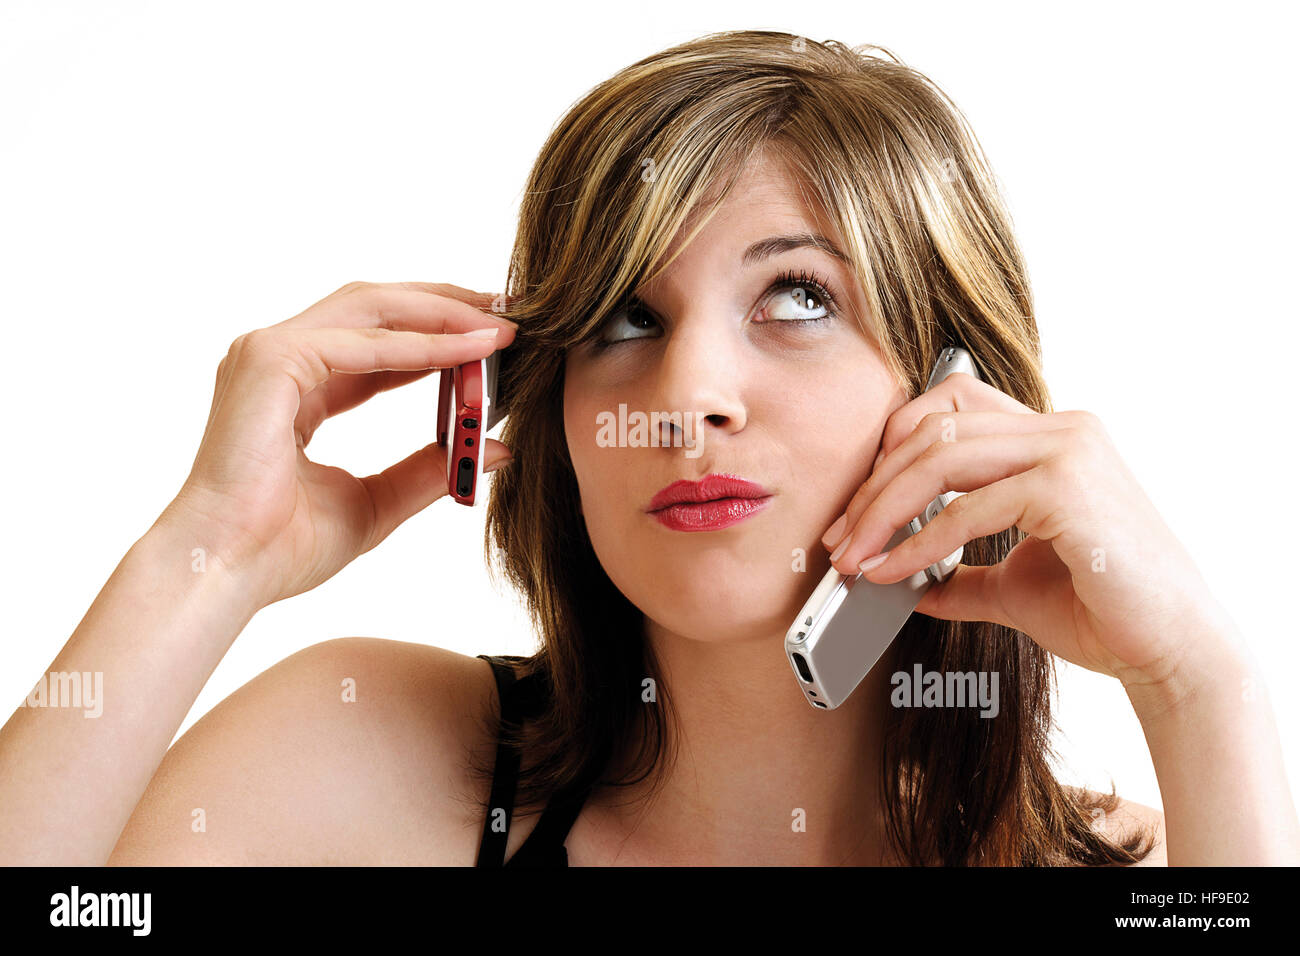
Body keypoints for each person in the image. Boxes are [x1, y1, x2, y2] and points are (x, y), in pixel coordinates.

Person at [2, 30, 1295, 867]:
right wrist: (206, 559)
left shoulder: (1140, 868)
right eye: (626, 317)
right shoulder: (372, 767)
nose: (687, 398)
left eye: (798, 298)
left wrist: (1201, 684)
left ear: (960, 389)